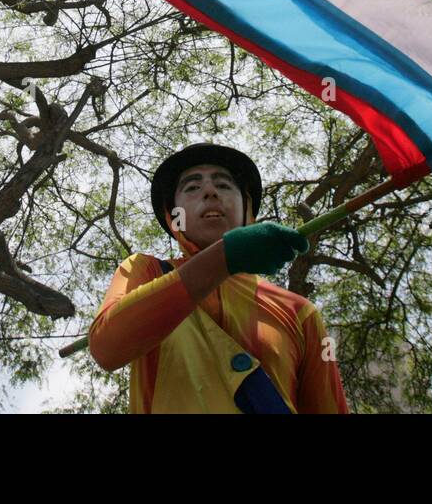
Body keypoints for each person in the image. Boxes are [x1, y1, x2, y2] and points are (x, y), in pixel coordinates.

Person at [88, 142, 350, 413]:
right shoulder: (145, 271)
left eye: (224, 185)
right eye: (192, 187)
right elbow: (107, 347)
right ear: (173, 215)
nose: (210, 191)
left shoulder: (299, 313)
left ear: (247, 208)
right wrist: (223, 257)